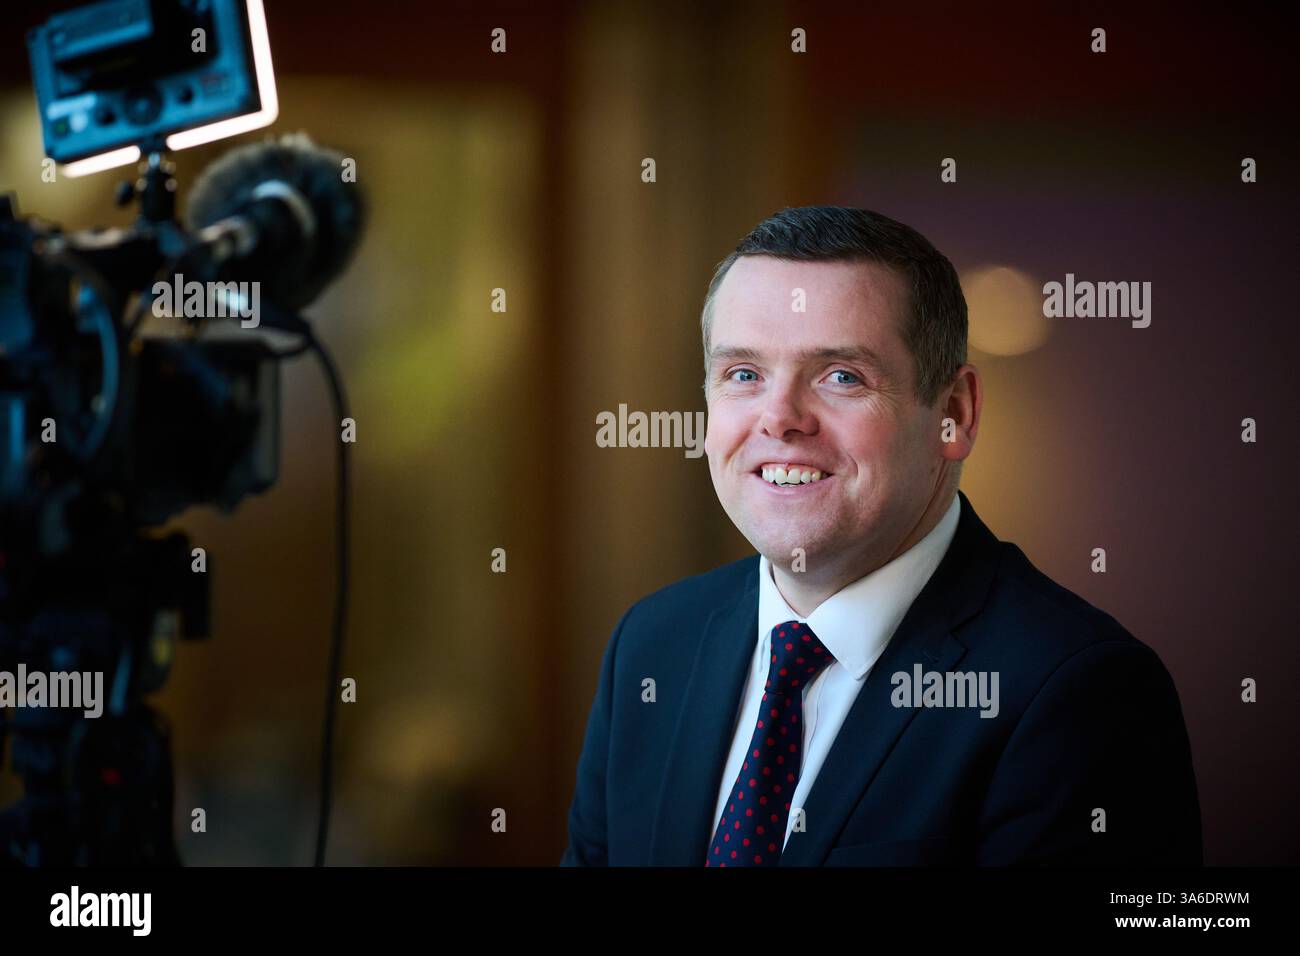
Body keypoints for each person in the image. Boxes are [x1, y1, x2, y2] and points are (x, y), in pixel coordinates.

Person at [560, 206, 1202, 866]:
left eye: (842, 376)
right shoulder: (653, 645)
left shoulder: (1077, 692)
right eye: (743, 374)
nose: (779, 419)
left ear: (953, 413)